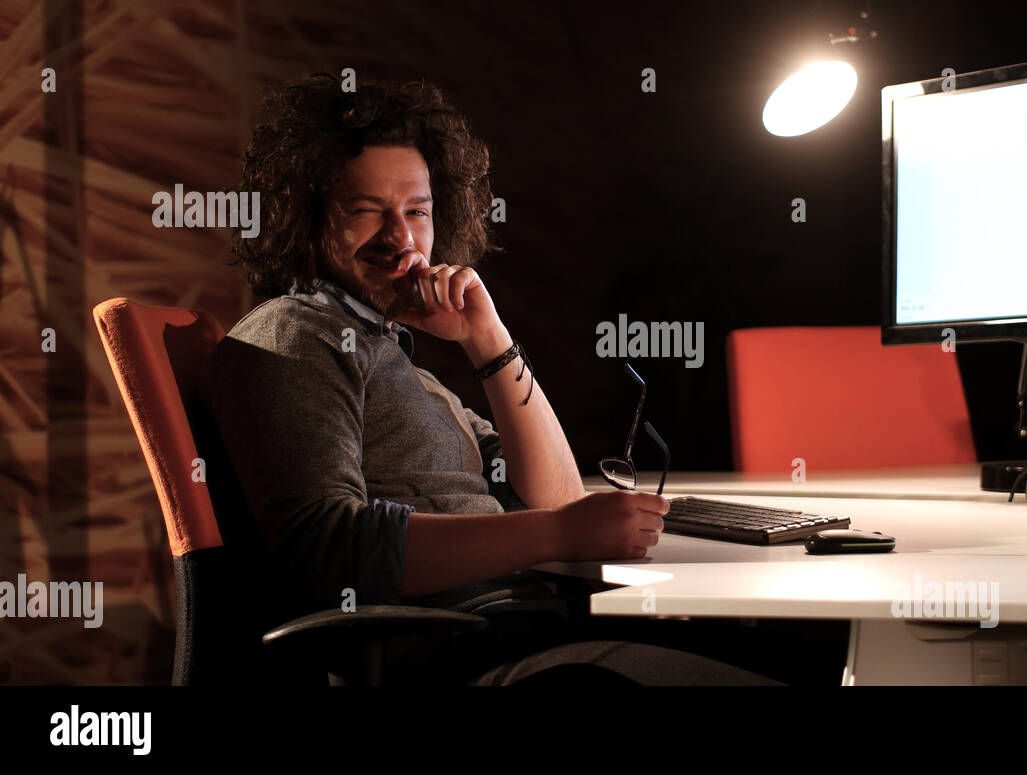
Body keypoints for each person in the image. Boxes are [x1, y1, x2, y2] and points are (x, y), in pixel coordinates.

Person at [206, 74, 841, 685]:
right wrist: (563, 535)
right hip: (460, 655)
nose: (401, 238)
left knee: (823, 659)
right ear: (307, 218)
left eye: (417, 212)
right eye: (367, 212)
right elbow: (329, 551)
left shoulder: (408, 370)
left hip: (529, 628)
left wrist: (490, 341)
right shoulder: (293, 337)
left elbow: (555, 494)